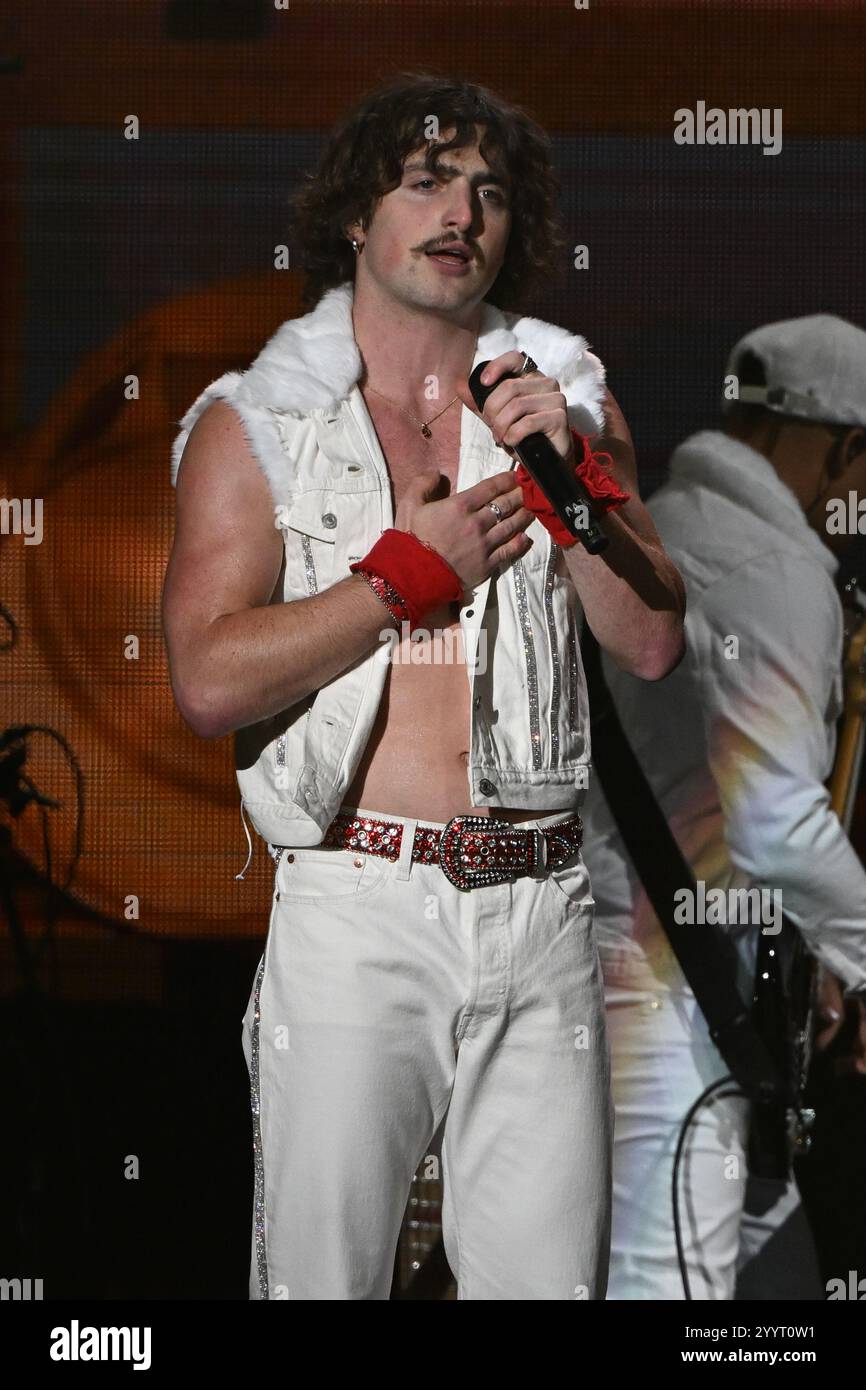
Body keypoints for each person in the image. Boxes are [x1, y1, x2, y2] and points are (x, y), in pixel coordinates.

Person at [162, 72, 685, 1301]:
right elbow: (204, 679)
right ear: (357, 215)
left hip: (541, 907)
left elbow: (652, 641)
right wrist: (404, 575)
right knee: (322, 1284)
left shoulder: (562, 411)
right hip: (356, 905)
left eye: (490, 193)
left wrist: (565, 482)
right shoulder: (261, 425)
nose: (463, 212)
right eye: (428, 180)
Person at [579, 313, 866, 1300]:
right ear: (843, 449)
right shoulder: (775, 570)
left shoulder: (672, 532)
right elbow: (773, 822)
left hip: (615, 981)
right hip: (674, 1016)